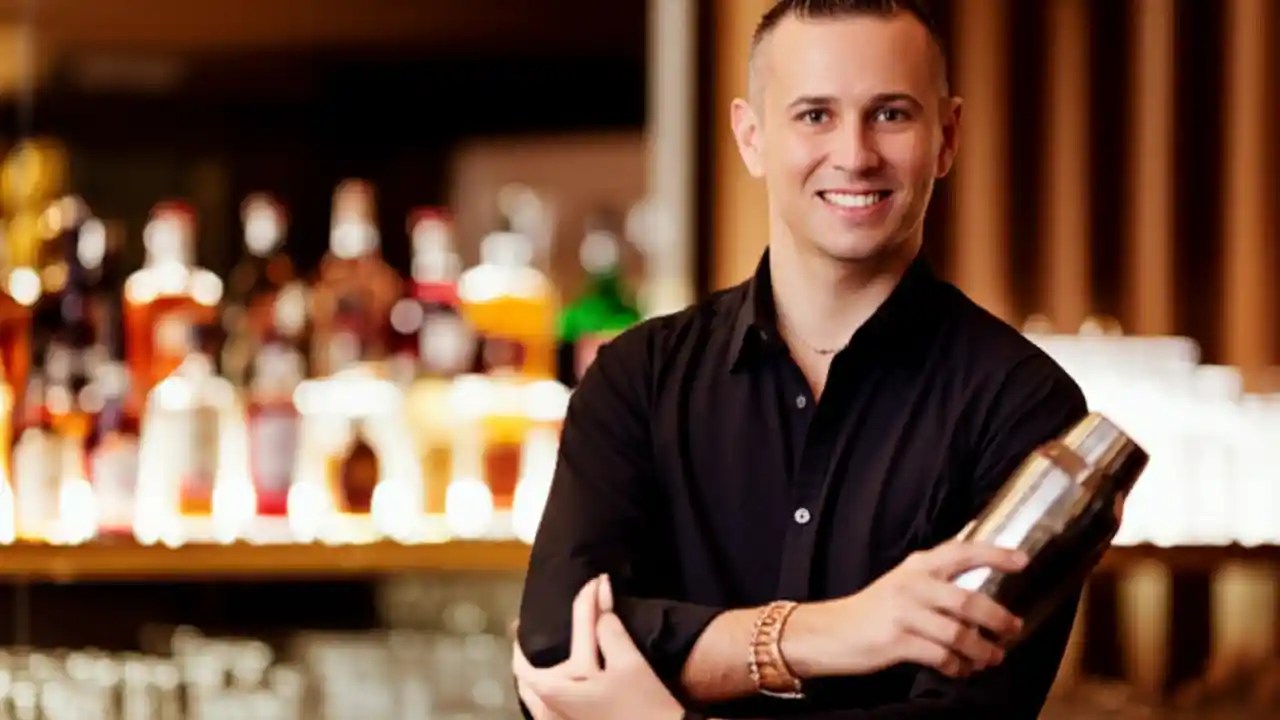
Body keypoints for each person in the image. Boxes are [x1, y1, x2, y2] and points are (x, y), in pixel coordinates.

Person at [516, 0, 1096, 717]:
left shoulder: (1026, 408)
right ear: (751, 137)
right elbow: (553, 649)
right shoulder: (637, 377)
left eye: (890, 114)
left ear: (947, 136)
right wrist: (829, 634)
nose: (854, 154)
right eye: (814, 115)